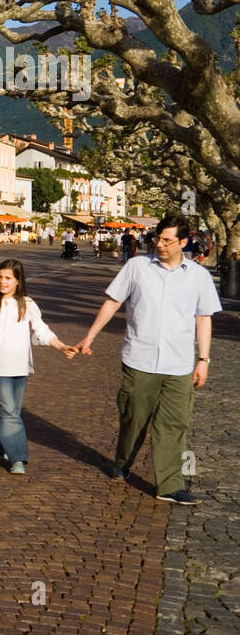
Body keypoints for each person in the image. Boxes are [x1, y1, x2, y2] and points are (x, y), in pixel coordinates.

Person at [72, 216, 221, 504]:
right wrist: (90, 337)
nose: (160, 244)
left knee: (173, 425)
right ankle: (122, 462)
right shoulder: (136, 267)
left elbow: (203, 318)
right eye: (158, 238)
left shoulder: (198, 276)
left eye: (167, 240)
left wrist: (203, 359)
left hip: (179, 366)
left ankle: (169, 485)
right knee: (133, 420)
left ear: (183, 242)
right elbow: (113, 301)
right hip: (139, 360)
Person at [0, 259, 74, 475]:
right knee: (8, 411)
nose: (2, 282)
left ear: (17, 281)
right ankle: (18, 458)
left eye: (7, 278)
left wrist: (62, 346)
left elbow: (41, 329)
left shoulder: (27, 304)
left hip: (21, 364)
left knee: (11, 410)